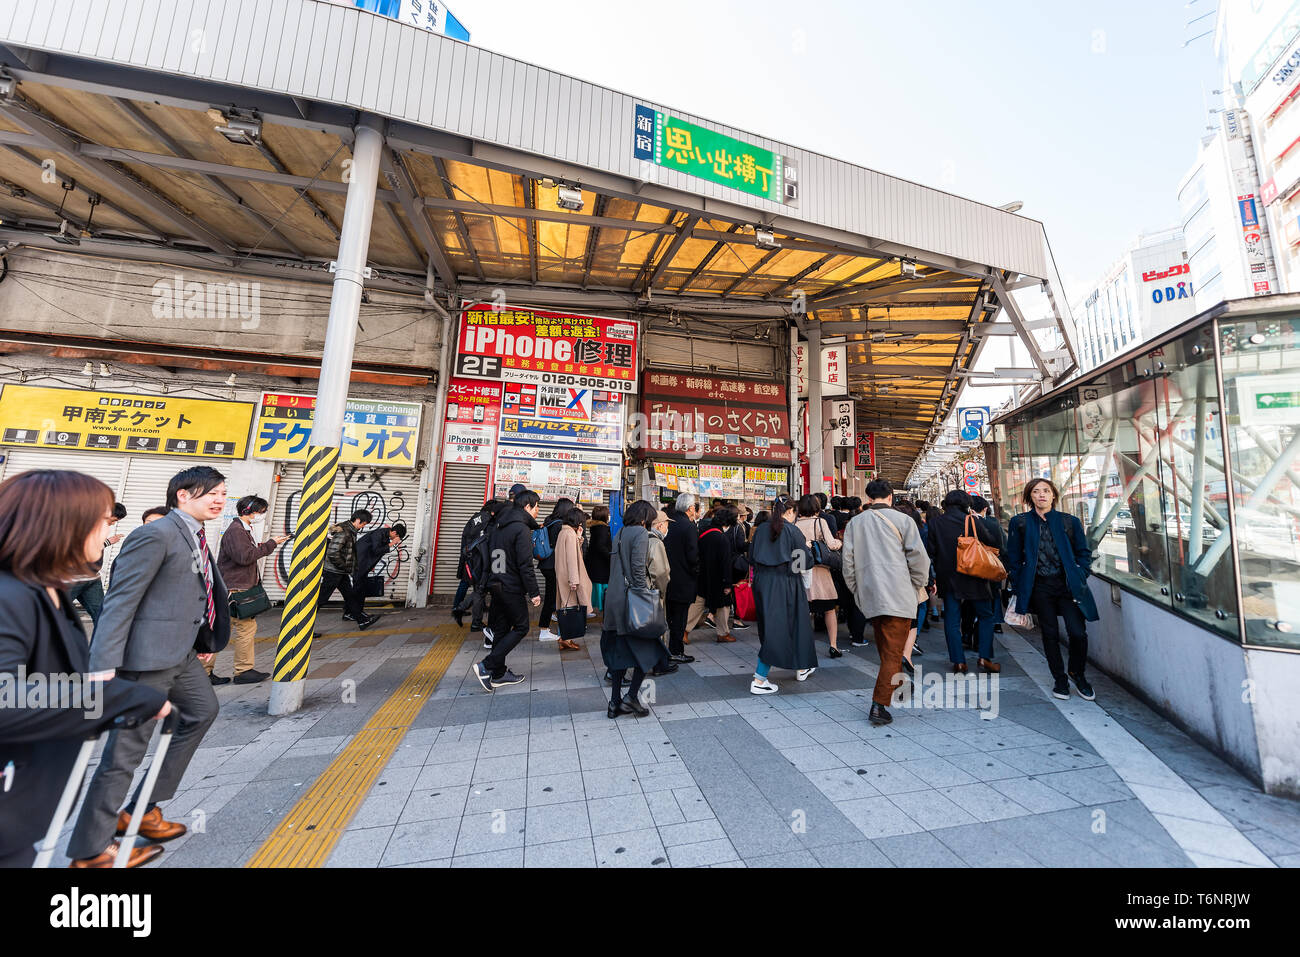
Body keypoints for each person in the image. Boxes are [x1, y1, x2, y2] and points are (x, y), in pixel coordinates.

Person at [0, 471, 167, 868]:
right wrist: (120, 697)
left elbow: (48, 684)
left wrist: (108, 707)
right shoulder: (10, 596)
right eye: (106, 520)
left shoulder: (45, 589)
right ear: (64, 524)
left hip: (22, 810)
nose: (110, 529)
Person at [67, 465, 231, 868]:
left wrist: (201, 639)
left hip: (181, 655)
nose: (219, 500)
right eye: (210, 492)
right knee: (124, 753)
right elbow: (121, 601)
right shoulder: (154, 535)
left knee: (202, 711)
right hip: (145, 660)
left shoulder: (196, 534)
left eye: (223, 493)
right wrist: (103, 664)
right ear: (182, 495)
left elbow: (191, 594)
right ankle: (90, 851)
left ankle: (142, 809)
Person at [842, 478, 932, 726]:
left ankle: (900, 682)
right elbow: (919, 560)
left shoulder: (855, 524)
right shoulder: (904, 521)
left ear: (869, 498)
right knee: (893, 651)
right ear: (890, 496)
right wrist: (917, 585)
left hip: (870, 594)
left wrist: (858, 591)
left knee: (886, 647)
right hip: (899, 593)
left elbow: (847, 564)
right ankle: (878, 706)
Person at [1005, 478, 1098, 701]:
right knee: (1049, 634)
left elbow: (1084, 553)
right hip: (1040, 587)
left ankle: (1078, 673)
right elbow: (1014, 558)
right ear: (1030, 497)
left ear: (1054, 495)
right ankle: (1060, 680)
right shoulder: (1020, 523)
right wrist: (1019, 586)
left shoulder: (1069, 522)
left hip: (1068, 587)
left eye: (1046, 491)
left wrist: (1080, 573)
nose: (1041, 495)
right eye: (1036, 492)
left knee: (1078, 633)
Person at [211, 494, 289, 686]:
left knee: (229, 630)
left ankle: (229, 670)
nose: (261, 515)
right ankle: (241, 670)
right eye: (260, 512)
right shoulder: (236, 531)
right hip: (235, 589)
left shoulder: (243, 529)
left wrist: (269, 544)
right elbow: (245, 557)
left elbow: (245, 552)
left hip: (236, 587)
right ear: (249, 511)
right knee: (240, 630)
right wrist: (271, 545)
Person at [601, 501, 668, 718]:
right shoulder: (640, 532)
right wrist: (644, 596)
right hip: (632, 601)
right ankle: (630, 697)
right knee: (649, 650)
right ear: (644, 517)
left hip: (614, 600)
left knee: (620, 654)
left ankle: (614, 703)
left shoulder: (619, 532)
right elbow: (639, 569)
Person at [473, 489, 542, 691]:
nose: (538, 511)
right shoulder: (521, 529)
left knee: (501, 630)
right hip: (511, 586)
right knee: (521, 627)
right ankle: (487, 665)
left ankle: (498, 674)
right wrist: (534, 592)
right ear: (527, 507)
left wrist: (496, 580)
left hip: (497, 583)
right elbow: (525, 565)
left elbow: (496, 557)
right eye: (537, 506)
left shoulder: (499, 526)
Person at [928, 489, 1003, 675]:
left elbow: (930, 551)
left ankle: (959, 662)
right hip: (974, 576)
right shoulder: (972, 521)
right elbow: (992, 541)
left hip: (949, 578)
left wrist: (933, 577)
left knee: (952, 620)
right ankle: (984, 658)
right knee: (986, 616)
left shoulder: (935, 523)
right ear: (966, 503)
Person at [749, 496, 817, 694]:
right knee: (784, 627)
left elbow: (751, 557)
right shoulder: (791, 530)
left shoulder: (761, 529)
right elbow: (804, 563)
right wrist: (808, 549)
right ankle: (759, 680)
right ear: (790, 512)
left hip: (762, 581)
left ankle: (802, 666)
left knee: (774, 627)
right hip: (785, 583)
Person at [795, 495, 843, 657]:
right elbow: (830, 544)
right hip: (819, 570)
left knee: (804, 611)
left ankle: (803, 646)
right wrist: (839, 543)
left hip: (800, 568)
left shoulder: (794, 523)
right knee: (829, 609)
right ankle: (833, 645)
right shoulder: (819, 522)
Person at [65, 501, 127, 624]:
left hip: (92, 579)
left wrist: (107, 542)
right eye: (114, 519)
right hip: (73, 579)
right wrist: (107, 542)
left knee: (102, 616)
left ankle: (104, 643)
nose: (114, 523)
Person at [320, 509, 379, 630]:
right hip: (333, 572)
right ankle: (302, 628)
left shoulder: (350, 531)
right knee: (321, 599)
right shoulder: (345, 532)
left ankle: (362, 621)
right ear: (357, 520)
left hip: (340, 572)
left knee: (350, 596)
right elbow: (333, 553)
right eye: (363, 524)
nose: (363, 526)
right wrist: (345, 566)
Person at [689, 504, 738, 643]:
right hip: (718, 579)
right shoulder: (722, 539)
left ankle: (684, 632)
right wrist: (727, 583)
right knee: (723, 606)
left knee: (697, 605)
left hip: (702, 576)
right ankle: (723, 633)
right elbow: (725, 563)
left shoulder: (703, 533)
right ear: (727, 523)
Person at [662, 492, 700, 666]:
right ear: (690, 508)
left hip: (667, 577)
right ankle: (676, 651)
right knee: (680, 618)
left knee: (670, 616)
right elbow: (693, 556)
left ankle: (669, 649)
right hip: (684, 579)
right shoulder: (689, 526)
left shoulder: (669, 523)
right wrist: (697, 570)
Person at [552, 507, 591, 651]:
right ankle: (566, 639)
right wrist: (574, 580)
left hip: (563, 575)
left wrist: (579, 537)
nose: (582, 524)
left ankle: (565, 638)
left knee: (565, 607)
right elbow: (572, 558)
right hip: (569, 577)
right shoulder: (569, 533)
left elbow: (573, 551)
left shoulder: (565, 532)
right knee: (570, 607)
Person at [454, 500, 497, 629]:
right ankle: (465, 613)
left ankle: (465, 611)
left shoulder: (476, 518)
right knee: (480, 589)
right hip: (479, 559)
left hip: (470, 558)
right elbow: (483, 542)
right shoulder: (486, 520)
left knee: (478, 588)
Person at [536, 498, 573, 643]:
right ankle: (543, 630)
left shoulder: (550, 520)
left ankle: (552, 615)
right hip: (552, 565)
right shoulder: (559, 525)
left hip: (546, 564)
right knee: (551, 597)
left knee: (553, 594)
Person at [350, 521, 407, 614]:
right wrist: (391, 544)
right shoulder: (379, 534)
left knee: (360, 589)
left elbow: (376, 552)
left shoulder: (384, 535)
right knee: (358, 589)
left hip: (364, 564)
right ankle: (353, 613)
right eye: (398, 537)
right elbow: (376, 550)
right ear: (394, 533)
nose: (398, 540)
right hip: (359, 564)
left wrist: (372, 565)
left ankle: (356, 612)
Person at [585, 505, 612, 615]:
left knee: (596, 588)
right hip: (601, 565)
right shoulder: (602, 529)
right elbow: (601, 546)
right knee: (602, 590)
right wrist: (611, 556)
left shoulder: (595, 527)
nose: (609, 516)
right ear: (604, 516)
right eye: (608, 513)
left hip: (594, 563)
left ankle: (589, 608)